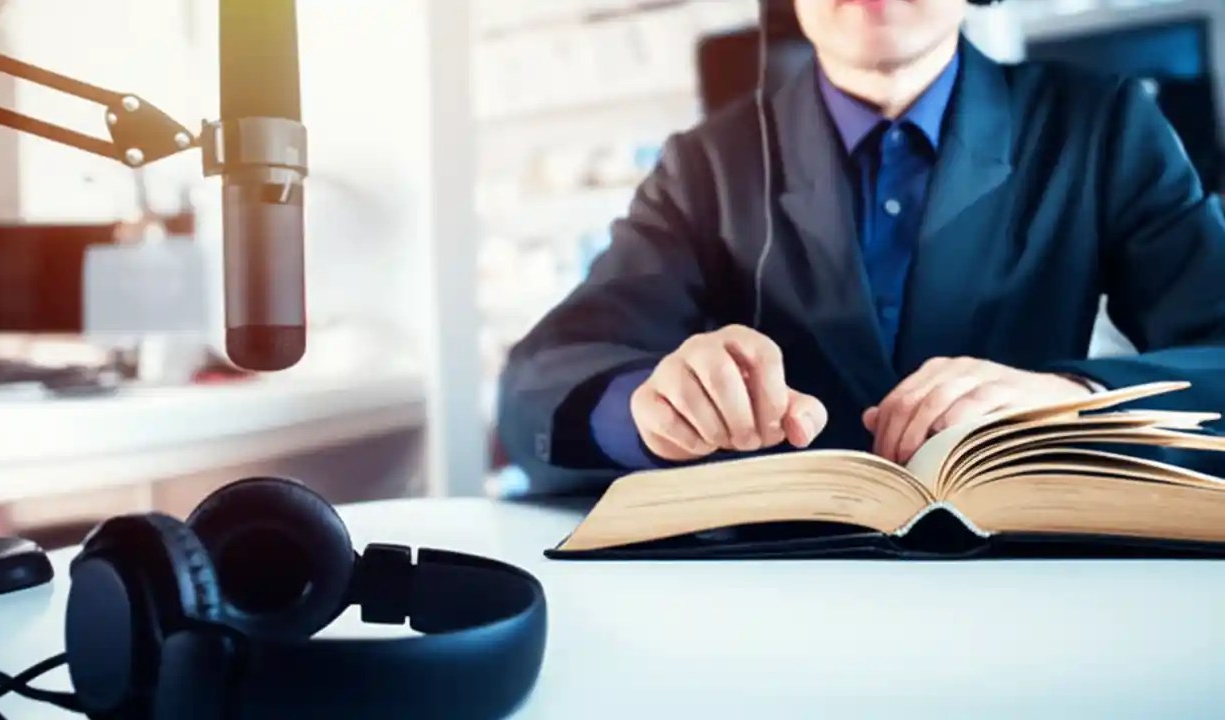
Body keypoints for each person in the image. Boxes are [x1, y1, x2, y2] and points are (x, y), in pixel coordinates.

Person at [497, 0, 1225, 493]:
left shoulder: (1102, 125)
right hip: (770, 592)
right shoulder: (706, 164)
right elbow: (539, 386)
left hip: (1029, 574)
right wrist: (649, 409)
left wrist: (1079, 400)